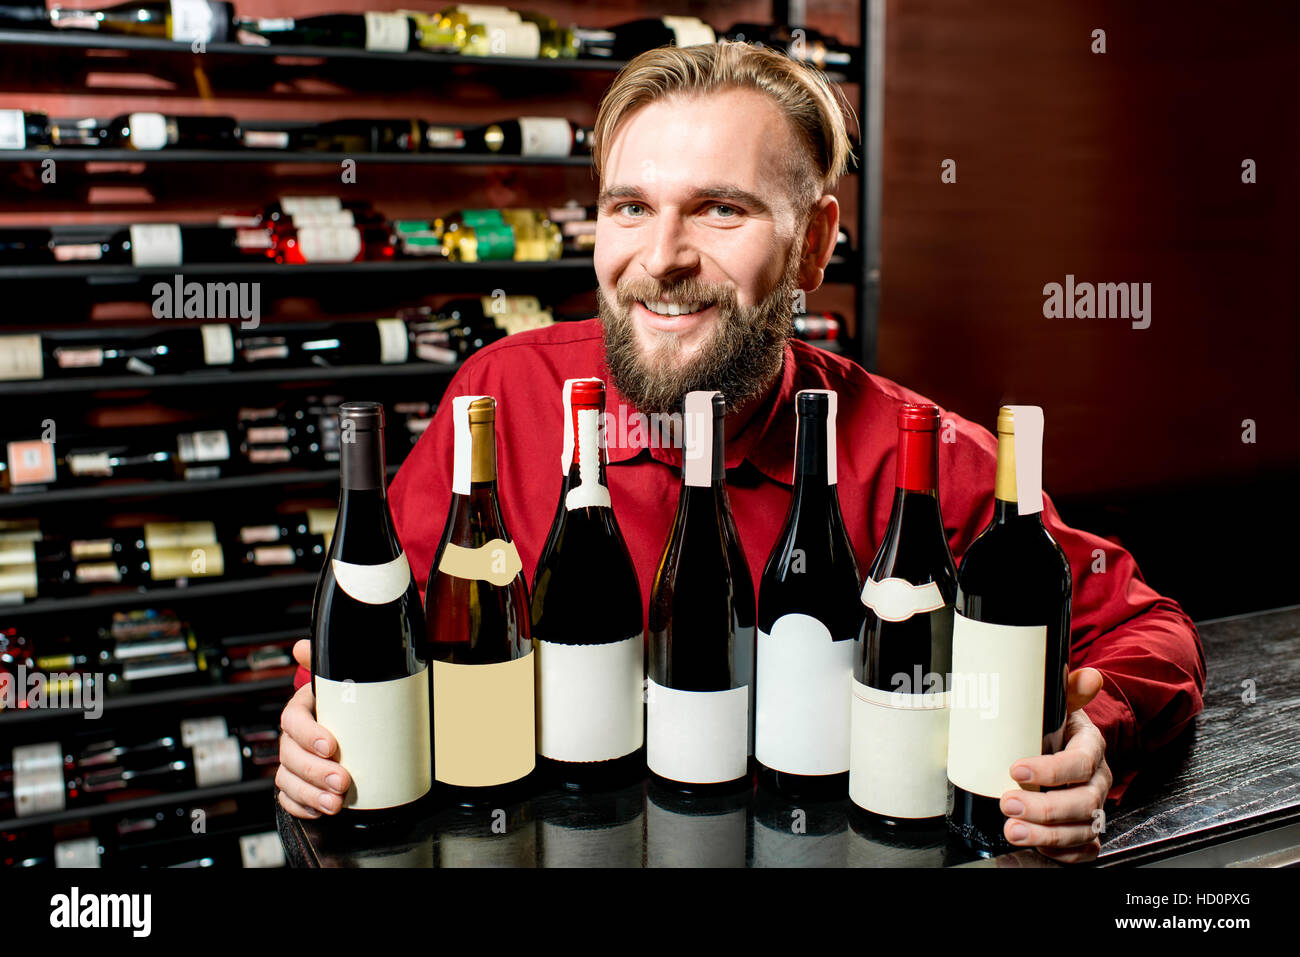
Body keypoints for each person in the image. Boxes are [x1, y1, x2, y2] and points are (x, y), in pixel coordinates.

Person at [276, 40, 1205, 864]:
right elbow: (362, 636)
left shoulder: (909, 453)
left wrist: (1094, 736)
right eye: (630, 206)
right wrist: (316, 726)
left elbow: (1149, 631)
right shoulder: (501, 396)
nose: (663, 256)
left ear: (813, 247)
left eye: (721, 210)